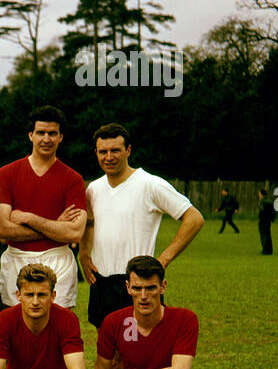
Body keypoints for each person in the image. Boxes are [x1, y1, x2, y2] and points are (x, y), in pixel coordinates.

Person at [79, 123, 203, 329]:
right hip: (101, 283)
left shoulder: (149, 184)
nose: (109, 157)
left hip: (137, 284)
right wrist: (84, 253)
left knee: (139, 352)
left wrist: (162, 261)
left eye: (115, 150)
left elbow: (194, 218)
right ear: (96, 153)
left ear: (128, 150)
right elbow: (88, 222)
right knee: (107, 353)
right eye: (103, 152)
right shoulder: (94, 188)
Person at [0, 106, 87, 310]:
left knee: (58, 328)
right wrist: (55, 228)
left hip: (58, 259)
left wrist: (27, 217)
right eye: (41, 133)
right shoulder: (7, 173)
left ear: (61, 137)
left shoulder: (73, 179)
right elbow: (2, 230)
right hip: (16, 258)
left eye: (52, 133)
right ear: (30, 135)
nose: (46, 139)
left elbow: (74, 232)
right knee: (15, 328)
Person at [258, 188, 276, 255]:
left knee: (264, 235)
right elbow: (273, 211)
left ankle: (265, 250)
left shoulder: (263, 201)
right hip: (268, 221)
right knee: (268, 235)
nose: (259, 195)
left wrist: (261, 218)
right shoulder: (270, 200)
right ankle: (269, 250)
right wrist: (272, 219)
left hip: (263, 221)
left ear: (261, 194)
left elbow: (261, 211)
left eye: (259, 194)